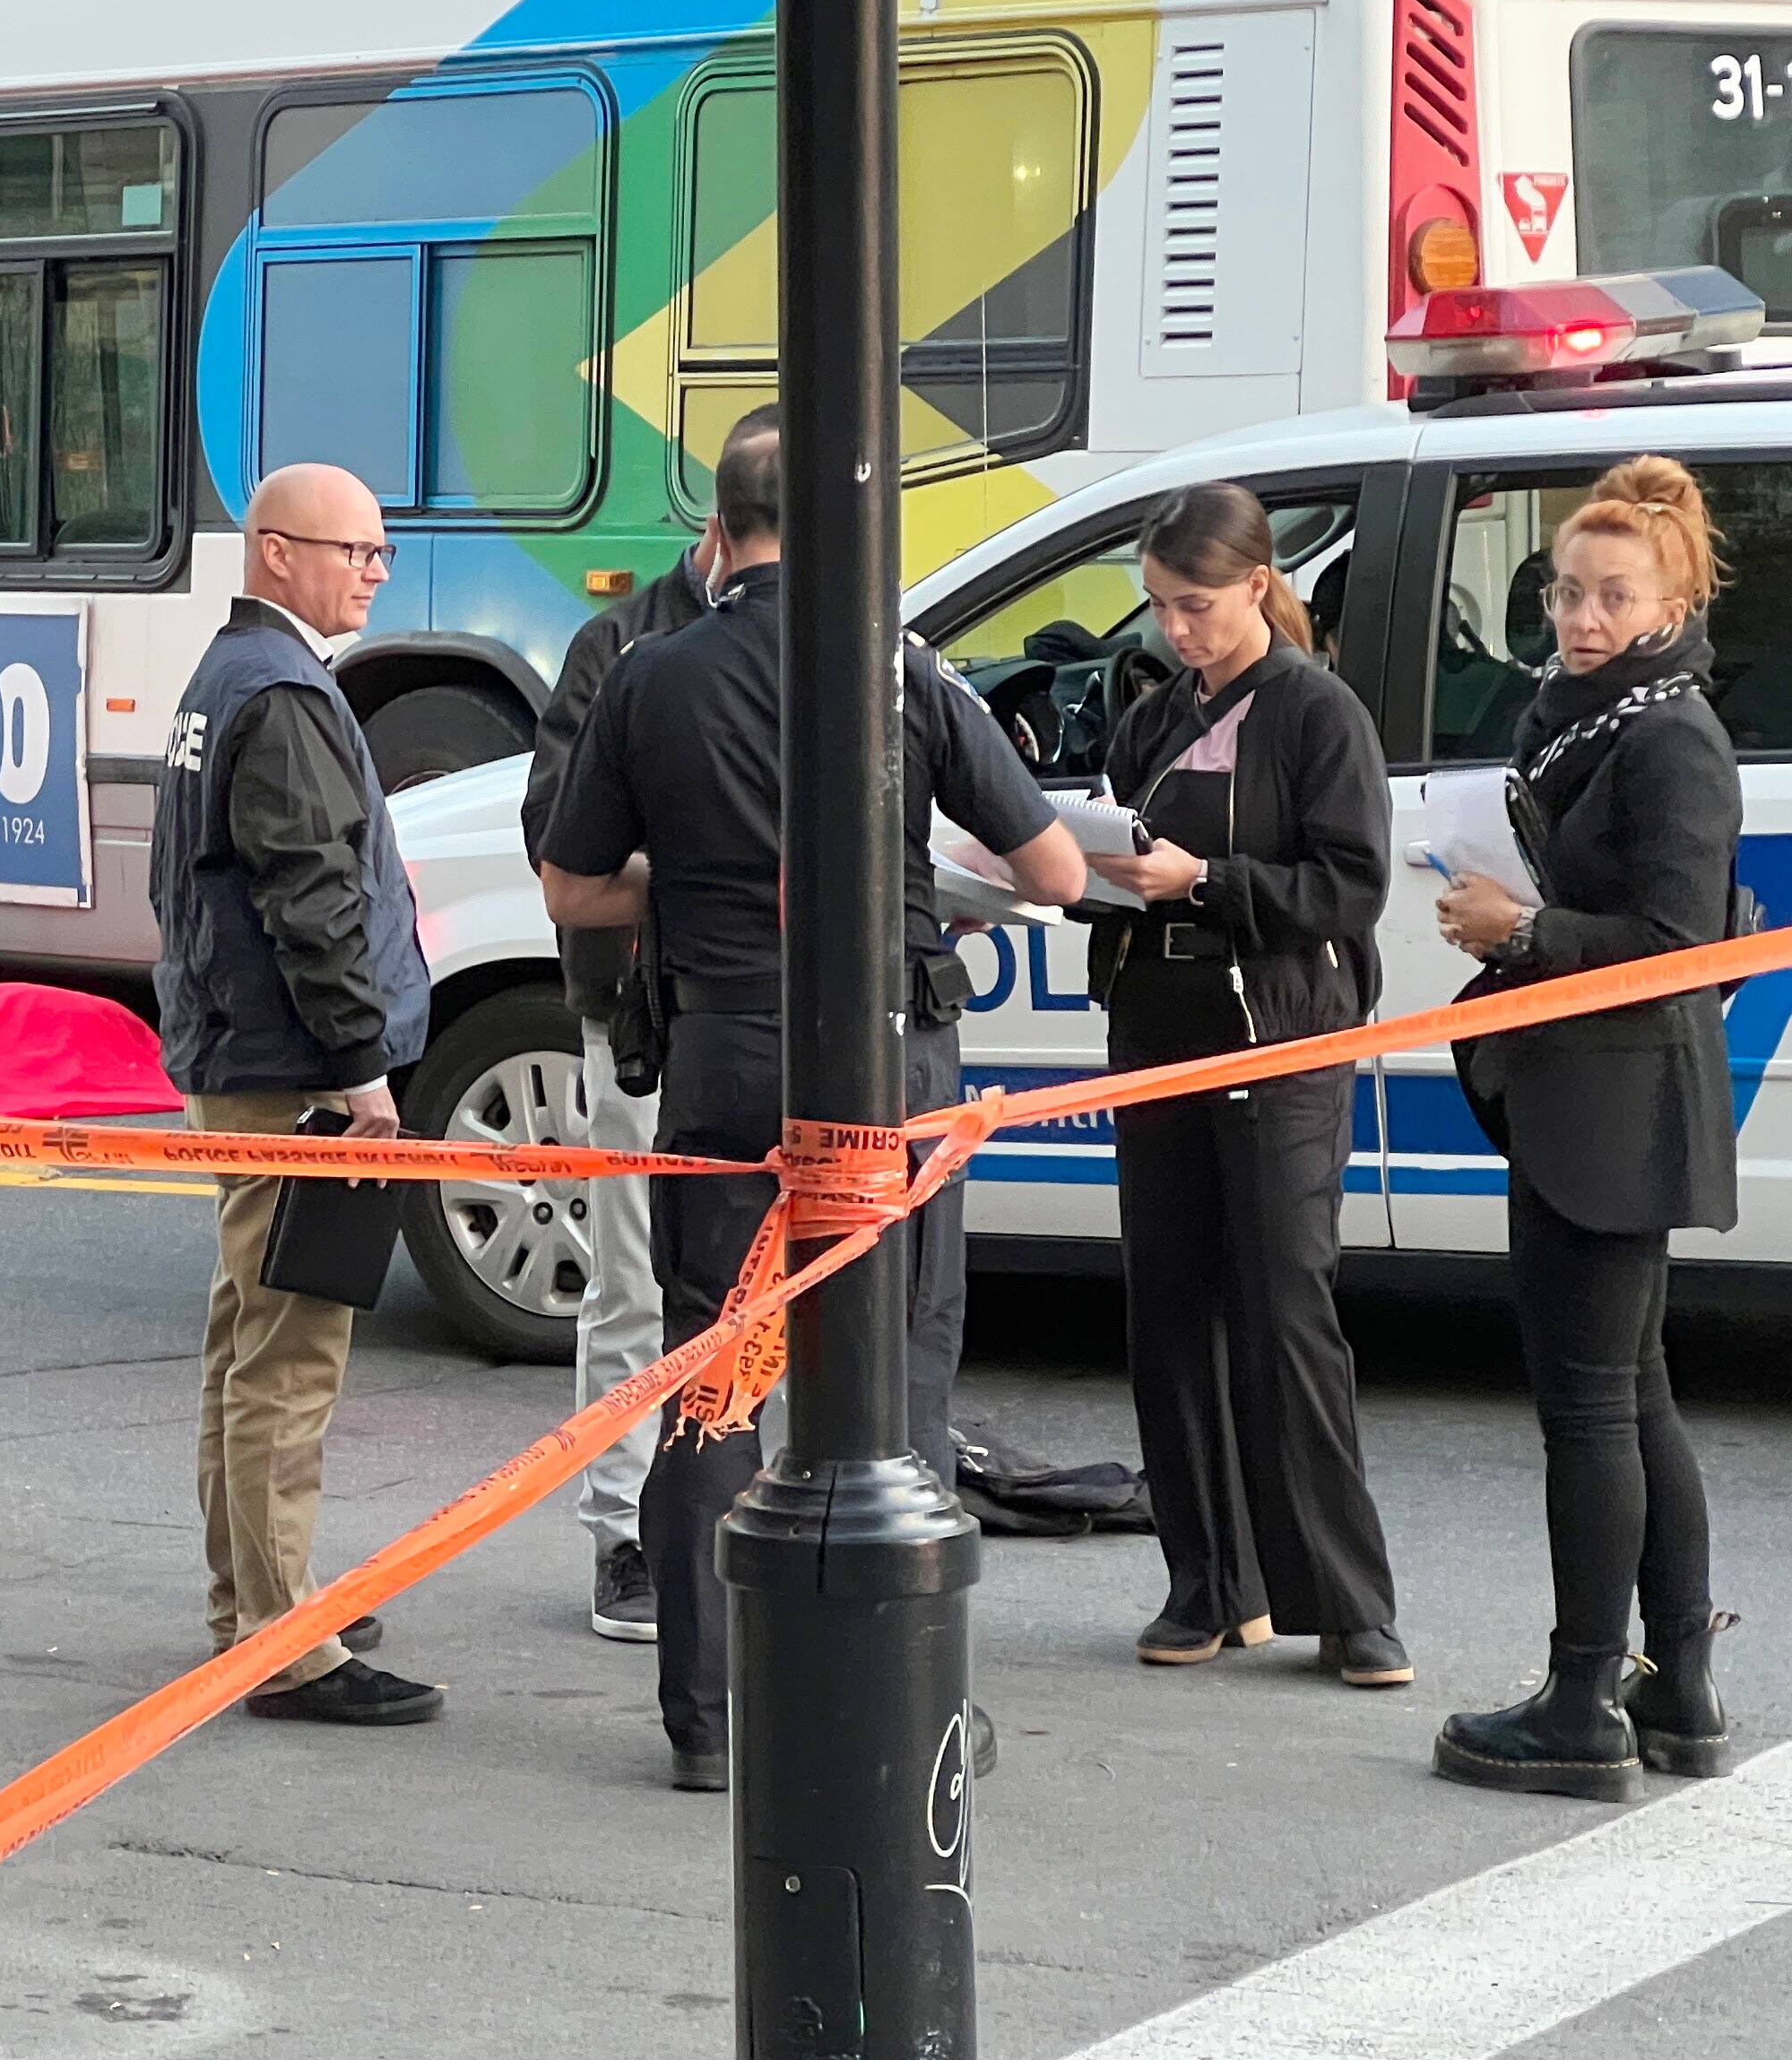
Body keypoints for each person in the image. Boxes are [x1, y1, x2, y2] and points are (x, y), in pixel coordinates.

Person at [534, 407, 1086, 1787]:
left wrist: (697, 875)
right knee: (899, 1376)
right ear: (847, 533)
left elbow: (572, 885)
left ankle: (711, 1725)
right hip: (887, 1067)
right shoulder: (900, 672)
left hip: (722, 1058)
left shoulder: (650, 674)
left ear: (719, 528)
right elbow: (1058, 874)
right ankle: (902, 1712)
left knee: (714, 1381)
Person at [1431, 457, 1741, 1798]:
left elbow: (1677, 945)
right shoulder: (1590, 716)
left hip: (1618, 1102)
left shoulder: (1671, 735)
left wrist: (1527, 932)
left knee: (1591, 1411)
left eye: (1615, 595)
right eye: (1564, 591)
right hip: (1587, 1091)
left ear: (1671, 606)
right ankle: (1676, 1691)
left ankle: (1580, 1701)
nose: (1583, 616)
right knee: (1635, 1395)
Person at [1087, 483, 1407, 1688]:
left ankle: (1350, 1603)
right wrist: (1069, 872)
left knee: (1285, 1311)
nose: (1178, 631)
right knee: (1165, 1308)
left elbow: (1348, 888)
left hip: (1275, 1031)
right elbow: (1121, 851)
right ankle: (1208, 1584)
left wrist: (1209, 882)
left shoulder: (1317, 714)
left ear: (1261, 586)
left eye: (1199, 607)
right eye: (1162, 608)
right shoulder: (1157, 714)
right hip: (1156, 1024)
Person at [151, 460, 446, 1727]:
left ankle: (254, 1604)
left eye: (380, 552)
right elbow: (310, 899)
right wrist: (360, 1071)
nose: (374, 571)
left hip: (243, 1055)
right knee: (288, 1353)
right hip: (292, 1074)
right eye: (355, 550)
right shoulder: (279, 692)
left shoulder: (233, 682)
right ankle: (282, 1638)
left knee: (247, 1336)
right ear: (276, 552)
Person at [518, 524, 723, 1645]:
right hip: (643, 1011)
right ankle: (625, 1534)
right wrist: (706, 872)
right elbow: (557, 834)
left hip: (756, 1017)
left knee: (745, 1282)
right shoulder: (620, 644)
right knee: (634, 1278)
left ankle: (717, 1514)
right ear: (723, 534)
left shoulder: (813, 629)